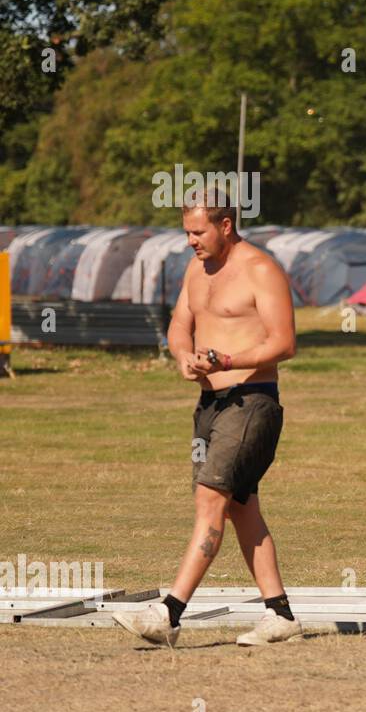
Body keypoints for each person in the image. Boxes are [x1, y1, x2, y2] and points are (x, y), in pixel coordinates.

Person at [114, 189, 301, 646]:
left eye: (197, 232)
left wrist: (227, 360)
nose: (190, 242)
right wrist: (183, 357)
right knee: (241, 509)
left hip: (251, 400)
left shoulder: (261, 269)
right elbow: (181, 325)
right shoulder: (197, 269)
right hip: (210, 405)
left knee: (211, 500)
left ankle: (169, 612)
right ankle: (281, 616)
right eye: (186, 233)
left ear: (225, 225)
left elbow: (285, 343)